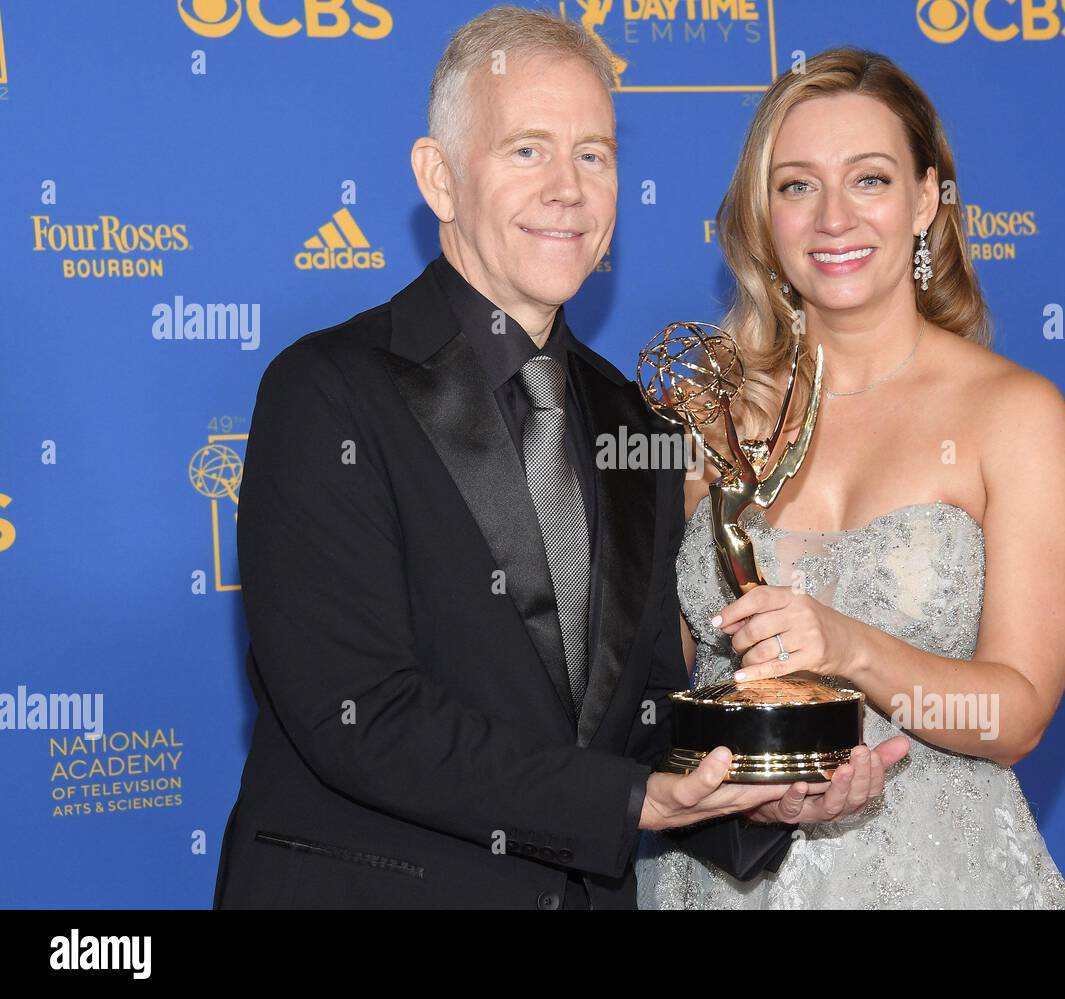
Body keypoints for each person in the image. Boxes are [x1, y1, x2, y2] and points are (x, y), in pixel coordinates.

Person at [211, 7, 903, 911]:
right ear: (440, 178)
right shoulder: (328, 393)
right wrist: (627, 800)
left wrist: (768, 798)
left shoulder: (639, 419)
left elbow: (645, 712)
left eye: (595, 155)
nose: (570, 190)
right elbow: (360, 714)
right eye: (527, 150)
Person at [637, 47, 1065, 909]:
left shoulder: (1013, 414)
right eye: (797, 185)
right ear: (762, 215)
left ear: (927, 199)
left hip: (934, 877)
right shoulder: (710, 415)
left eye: (870, 180)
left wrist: (847, 645)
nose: (832, 218)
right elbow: (660, 682)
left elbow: (1018, 715)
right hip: (722, 875)